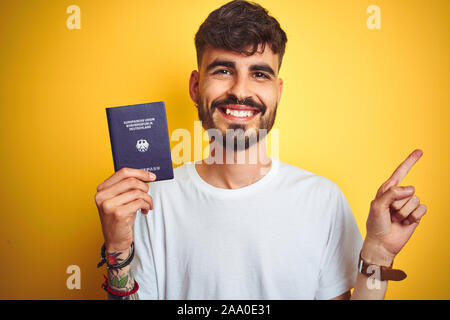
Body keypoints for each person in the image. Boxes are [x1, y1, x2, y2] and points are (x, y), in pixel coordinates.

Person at [94, 0, 427, 300]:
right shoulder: (153, 200)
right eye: (223, 70)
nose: (241, 91)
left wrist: (379, 254)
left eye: (259, 74)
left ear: (277, 92)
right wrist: (119, 248)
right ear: (196, 87)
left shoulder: (322, 199)